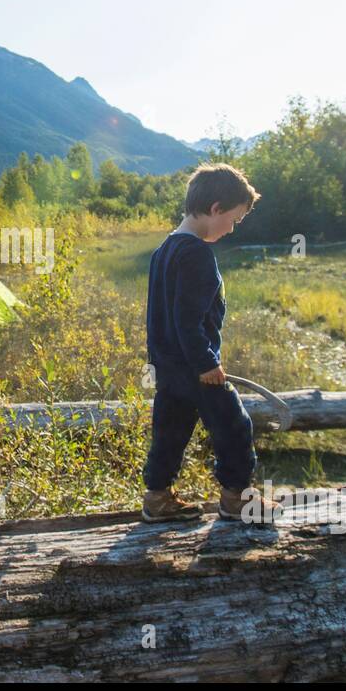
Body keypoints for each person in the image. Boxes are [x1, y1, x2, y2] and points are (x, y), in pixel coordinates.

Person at [141, 163, 279, 524]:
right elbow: (187, 320)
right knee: (234, 424)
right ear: (216, 208)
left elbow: (159, 316)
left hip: (168, 368)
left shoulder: (163, 250)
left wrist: (161, 362)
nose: (232, 229)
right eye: (233, 220)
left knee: (170, 431)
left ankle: (157, 497)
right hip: (195, 368)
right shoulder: (197, 254)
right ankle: (236, 499)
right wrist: (205, 363)